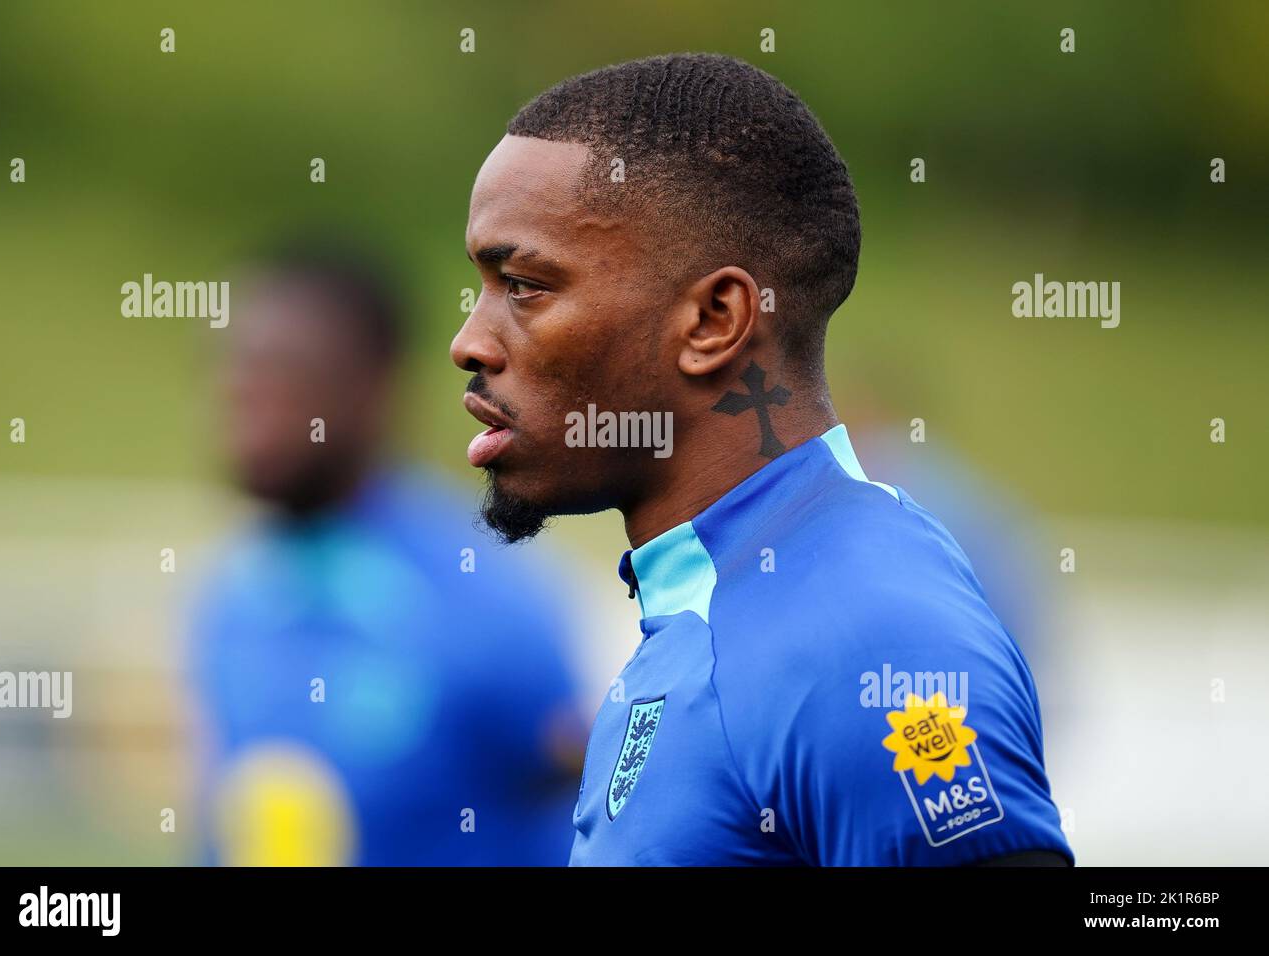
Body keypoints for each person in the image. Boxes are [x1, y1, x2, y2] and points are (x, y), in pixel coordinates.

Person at [451, 54, 1072, 865]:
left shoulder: (866, 636)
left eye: (525, 285)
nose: (470, 341)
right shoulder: (717, 595)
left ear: (713, 320)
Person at [192, 243, 584, 865]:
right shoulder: (229, 590)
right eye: (236, 366)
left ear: (373, 386)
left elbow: (577, 813)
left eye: (282, 371)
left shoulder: (485, 595)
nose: (243, 392)